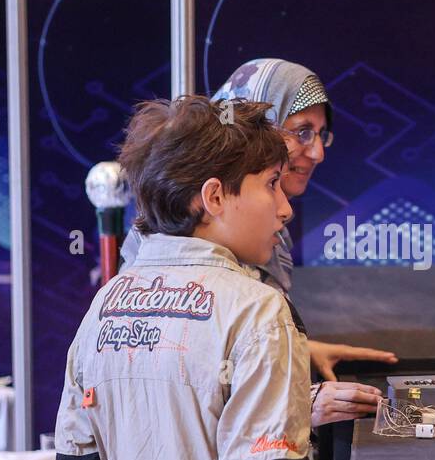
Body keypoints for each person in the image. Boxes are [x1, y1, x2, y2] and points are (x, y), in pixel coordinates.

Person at [56, 95, 323, 460]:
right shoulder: (257, 311)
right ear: (214, 197)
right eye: (271, 185)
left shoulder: (106, 304)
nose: (284, 208)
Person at [121, 58, 398, 407]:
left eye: (321, 133)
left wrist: (291, 349)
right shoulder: (174, 246)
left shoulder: (265, 234)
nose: (318, 151)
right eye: (301, 131)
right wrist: (298, 404)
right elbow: (170, 377)